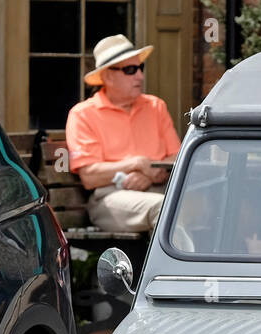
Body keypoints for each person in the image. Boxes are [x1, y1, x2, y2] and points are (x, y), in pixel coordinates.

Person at [65, 34, 181, 233]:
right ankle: (180, 266)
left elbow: (177, 157)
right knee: (165, 209)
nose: (140, 76)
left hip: (159, 188)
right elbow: (90, 176)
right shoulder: (83, 114)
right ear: (108, 76)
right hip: (110, 197)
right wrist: (134, 165)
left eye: (140, 68)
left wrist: (149, 176)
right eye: (130, 70)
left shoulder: (155, 106)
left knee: (216, 200)